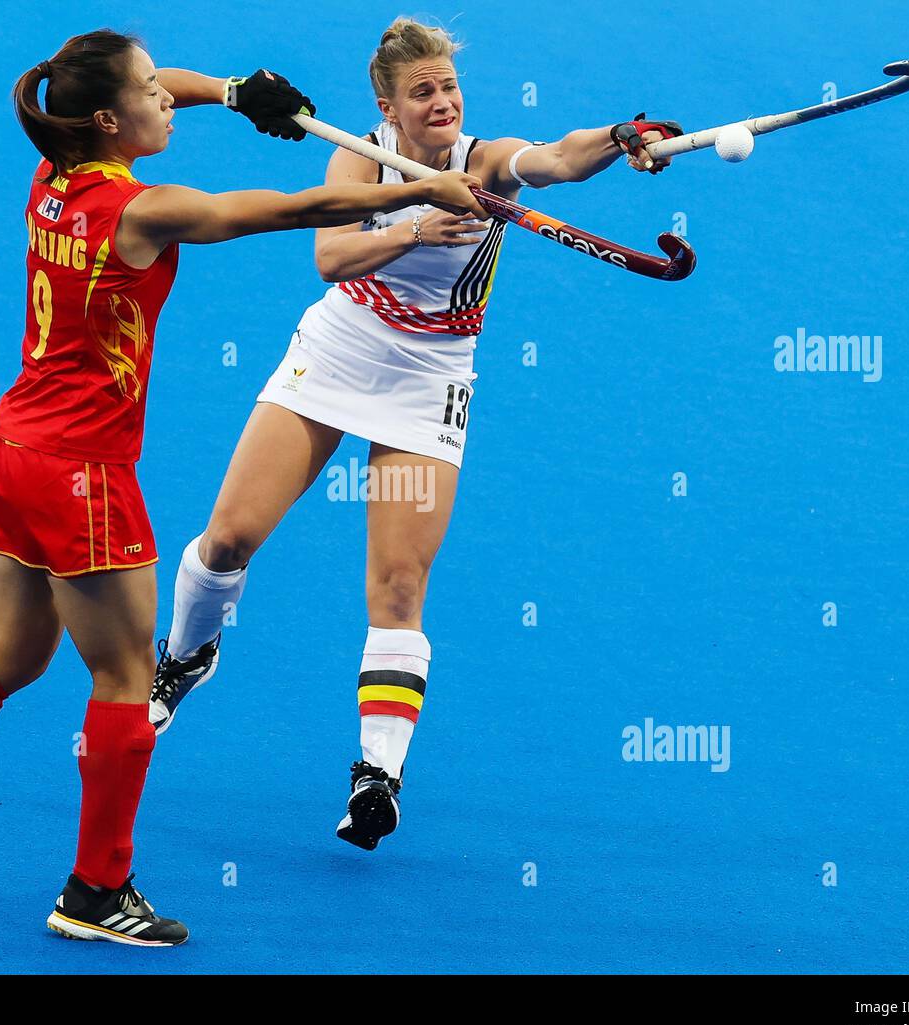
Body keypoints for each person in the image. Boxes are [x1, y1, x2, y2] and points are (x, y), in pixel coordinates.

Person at [0, 27, 486, 946]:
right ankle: (97, 890)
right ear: (107, 118)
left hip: (7, 449)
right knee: (126, 678)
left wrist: (237, 92)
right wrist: (420, 190)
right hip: (79, 475)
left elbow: (164, 89)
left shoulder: (54, 179)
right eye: (152, 94)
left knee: (11, 655)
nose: (168, 98)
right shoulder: (143, 210)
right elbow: (283, 213)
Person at [150, 17, 680, 850]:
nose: (443, 103)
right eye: (423, 92)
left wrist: (622, 137)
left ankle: (376, 776)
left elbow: (558, 158)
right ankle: (183, 657)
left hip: (429, 381)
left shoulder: (484, 160)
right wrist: (413, 228)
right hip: (336, 354)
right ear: (387, 106)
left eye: (450, 88)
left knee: (398, 584)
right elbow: (328, 258)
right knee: (227, 541)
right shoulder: (361, 157)